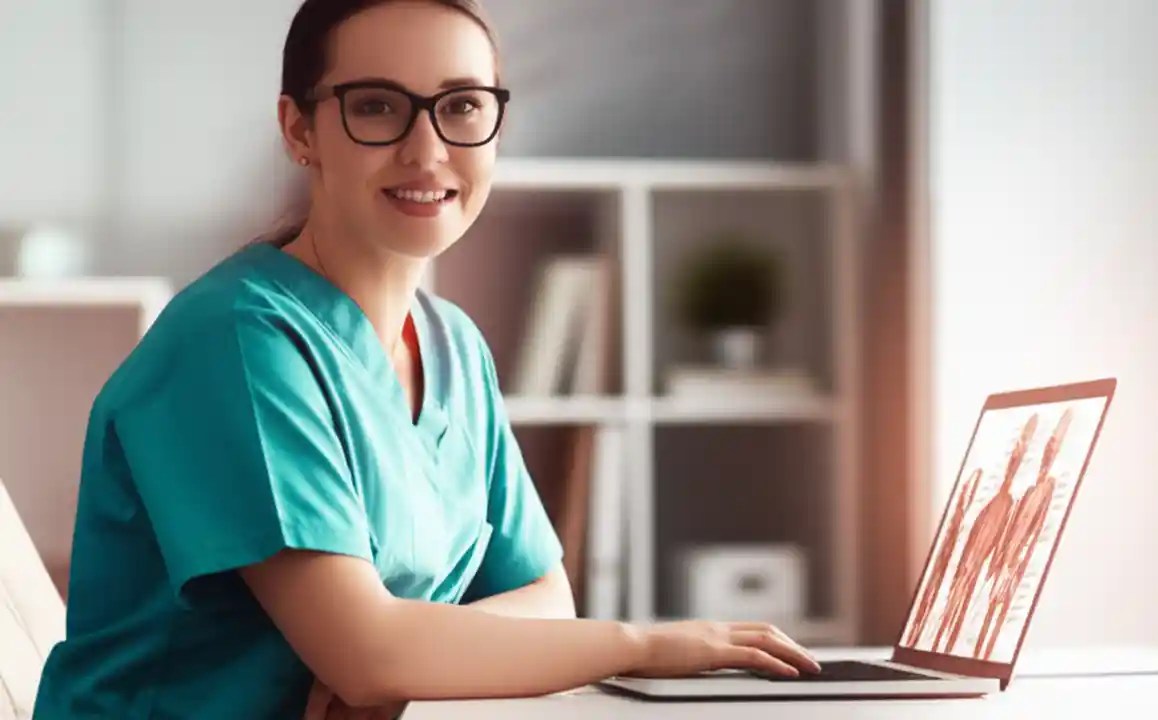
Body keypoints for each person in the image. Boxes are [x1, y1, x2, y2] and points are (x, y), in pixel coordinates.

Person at [31, 1, 820, 718]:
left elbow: (545, 602)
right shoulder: (235, 341)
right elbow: (369, 657)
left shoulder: (454, 347)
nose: (427, 149)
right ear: (299, 130)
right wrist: (641, 647)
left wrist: (403, 655)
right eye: (376, 106)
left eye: (462, 106)